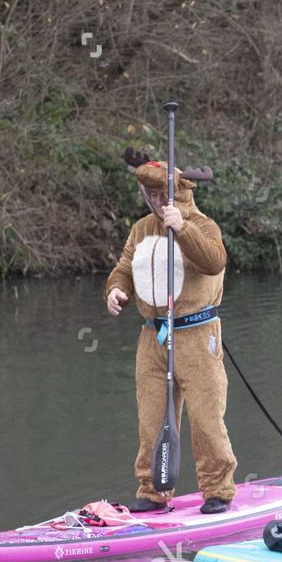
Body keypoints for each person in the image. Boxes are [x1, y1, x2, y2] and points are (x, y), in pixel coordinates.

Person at [105, 153, 238, 513]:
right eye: (148, 194)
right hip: (153, 337)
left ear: (175, 192)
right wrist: (116, 291)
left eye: (160, 193)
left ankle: (218, 490)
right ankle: (153, 491)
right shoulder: (141, 229)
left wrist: (182, 228)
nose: (155, 201)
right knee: (151, 419)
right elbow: (124, 269)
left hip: (197, 334)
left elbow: (215, 261)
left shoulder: (202, 223)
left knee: (206, 417)